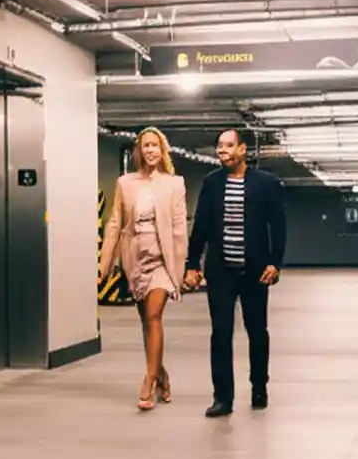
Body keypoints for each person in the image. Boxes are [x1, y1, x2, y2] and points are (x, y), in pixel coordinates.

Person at [183, 128, 286, 417]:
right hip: (221, 271)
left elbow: (278, 225)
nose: (222, 151)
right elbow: (200, 226)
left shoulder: (265, 184)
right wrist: (192, 265)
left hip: (255, 271)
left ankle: (259, 386)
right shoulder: (212, 184)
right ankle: (223, 397)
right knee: (220, 333)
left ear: (242, 150)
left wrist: (274, 263)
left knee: (257, 331)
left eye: (228, 145)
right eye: (219, 146)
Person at [98, 127, 188, 411]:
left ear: (163, 150)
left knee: (154, 316)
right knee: (146, 324)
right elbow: (115, 223)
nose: (150, 150)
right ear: (139, 151)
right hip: (135, 257)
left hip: (161, 258)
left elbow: (178, 229)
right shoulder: (126, 183)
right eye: (145, 145)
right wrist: (105, 263)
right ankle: (162, 376)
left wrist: (179, 269)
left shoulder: (175, 184)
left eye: (155, 145)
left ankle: (148, 381)